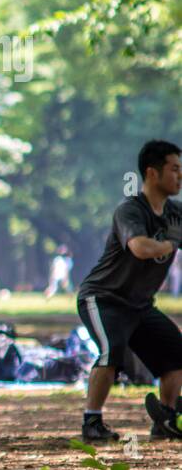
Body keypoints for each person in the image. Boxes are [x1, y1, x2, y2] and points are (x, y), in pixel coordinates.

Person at [77, 140, 182, 442]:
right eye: (174, 169)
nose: (180, 176)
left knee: (176, 355)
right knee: (112, 351)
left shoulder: (176, 214)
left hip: (140, 305)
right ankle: (92, 423)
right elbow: (140, 247)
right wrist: (168, 244)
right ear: (152, 173)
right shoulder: (130, 210)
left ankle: (166, 418)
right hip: (102, 298)